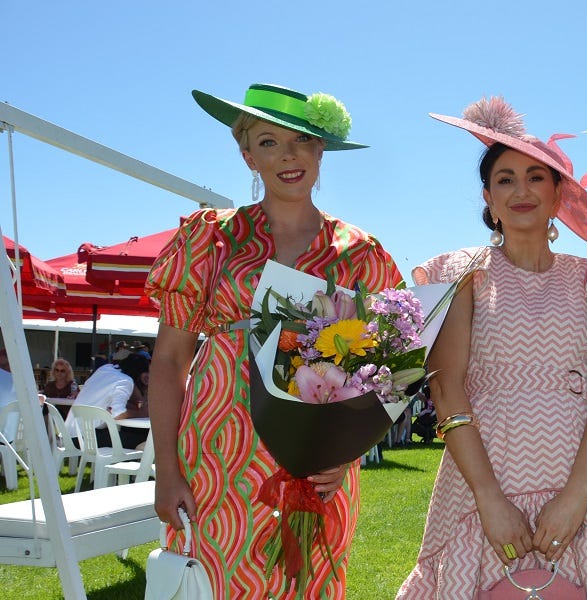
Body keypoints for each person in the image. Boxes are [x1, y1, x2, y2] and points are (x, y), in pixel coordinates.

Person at [146, 83, 402, 598]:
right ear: (247, 156)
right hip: (217, 450)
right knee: (213, 579)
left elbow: (391, 370)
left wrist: (347, 454)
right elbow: (171, 359)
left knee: (305, 581)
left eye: (302, 141)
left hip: (318, 459)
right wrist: (167, 470)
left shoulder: (359, 253)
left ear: (321, 150)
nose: (289, 155)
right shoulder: (208, 237)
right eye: (268, 142)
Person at [397, 97, 587, 598]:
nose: (521, 190)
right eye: (505, 179)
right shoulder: (462, 273)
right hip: (482, 478)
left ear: (559, 195)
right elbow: (447, 388)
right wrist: (490, 500)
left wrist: (577, 496)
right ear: (488, 198)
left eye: (536, 177)